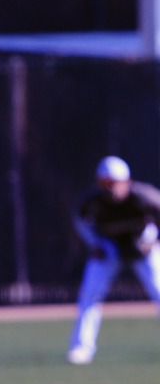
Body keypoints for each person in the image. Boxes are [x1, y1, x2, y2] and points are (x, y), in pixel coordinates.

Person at [67, 155, 160, 364]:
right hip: (109, 247)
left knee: (159, 289)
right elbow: (79, 219)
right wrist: (93, 244)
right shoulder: (91, 200)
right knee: (90, 293)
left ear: (126, 181)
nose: (110, 189)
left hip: (142, 246)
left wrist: (153, 242)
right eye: (105, 183)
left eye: (114, 183)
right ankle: (81, 347)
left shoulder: (144, 196)